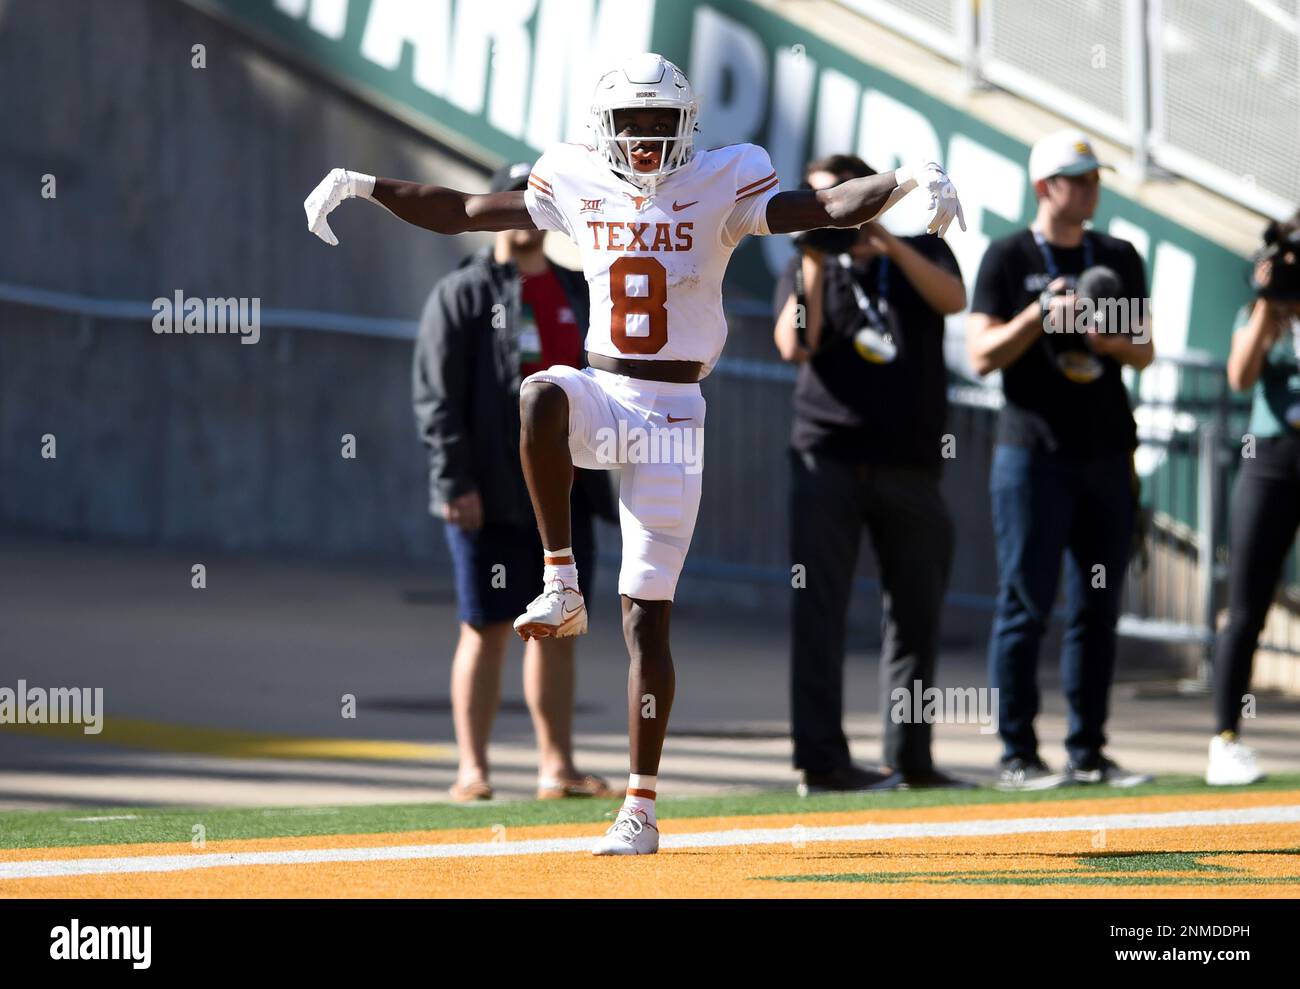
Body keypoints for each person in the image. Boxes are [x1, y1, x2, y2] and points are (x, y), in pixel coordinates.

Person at [305, 52, 965, 854]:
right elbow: (467, 208)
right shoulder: (577, 179)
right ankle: (559, 579)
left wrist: (904, 178)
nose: (646, 139)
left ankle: (640, 807)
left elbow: (823, 204)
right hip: (607, 391)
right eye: (632, 124)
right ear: (603, 129)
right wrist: (365, 184)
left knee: (647, 625)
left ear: (687, 126)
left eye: (660, 123)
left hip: (675, 417)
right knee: (542, 394)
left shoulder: (725, 180)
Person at [413, 161, 617, 802]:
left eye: (538, 205)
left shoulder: (576, 288)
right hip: (491, 490)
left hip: (565, 489)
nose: (528, 217)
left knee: (559, 623)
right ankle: (472, 768)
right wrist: (454, 482)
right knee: (486, 625)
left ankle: (557, 768)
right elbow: (436, 397)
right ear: (498, 209)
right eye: (518, 203)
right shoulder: (465, 292)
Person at [772, 153, 970, 794]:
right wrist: (815, 258)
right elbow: (795, 343)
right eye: (818, 201)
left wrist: (884, 241)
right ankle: (823, 763)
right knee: (819, 613)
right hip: (827, 461)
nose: (829, 214)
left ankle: (910, 759)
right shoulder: (807, 263)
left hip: (911, 465)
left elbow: (953, 299)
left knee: (915, 614)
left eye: (839, 201)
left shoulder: (915, 247)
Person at [966, 130, 1154, 790]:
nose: (1094, 188)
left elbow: (1145, 348)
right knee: (1024, 603)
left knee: (1096, 608)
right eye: (1080, 178)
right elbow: (980, 353)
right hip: (1032, 457)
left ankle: (1089, 751)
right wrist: (1040, 315)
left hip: (1105, 454)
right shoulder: (1008, 255)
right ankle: (1017, 753)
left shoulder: (1118, 255)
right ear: (1047, 186)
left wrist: (1103, 331)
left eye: (1096, 177)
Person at [1206, 210, 1300, 785]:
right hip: (1271, 461)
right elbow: (1240, 376)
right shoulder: (1263, 314)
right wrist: (1271, 299)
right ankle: (1225, 737)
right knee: (1246, 606)